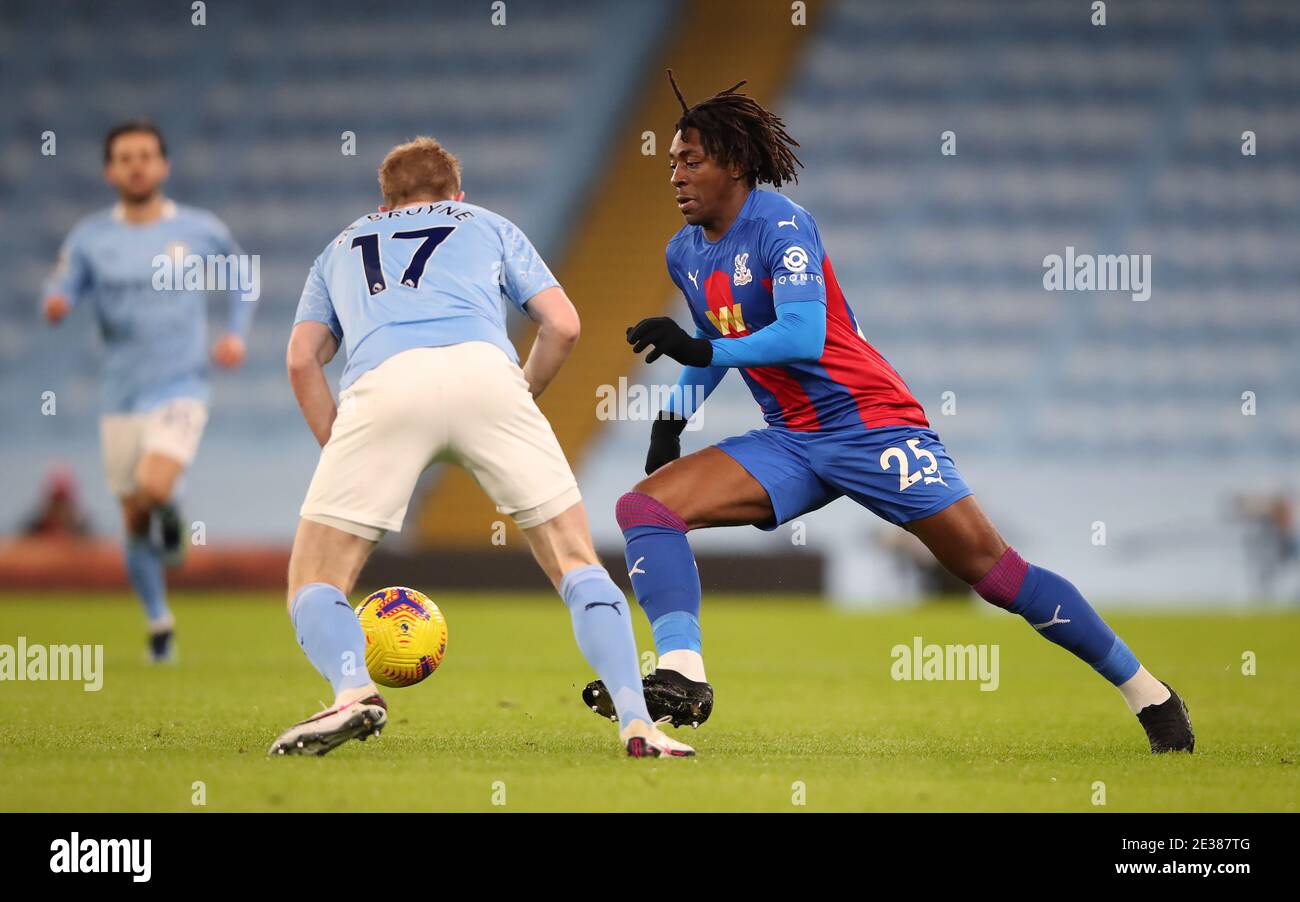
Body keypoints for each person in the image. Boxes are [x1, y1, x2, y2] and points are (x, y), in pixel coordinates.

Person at [582, 74, 1193, 754]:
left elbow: (802, 334)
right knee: (646, 510)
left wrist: (697, 344)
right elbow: (722, 344)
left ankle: (1151, 695)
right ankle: (682, 674)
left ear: (735, 163)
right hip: (791, 441)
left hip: (872, 424)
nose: (675, 175)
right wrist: (672, 420)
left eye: (690, 160)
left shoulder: (782, 223)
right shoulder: (685, 251)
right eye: (671, 161)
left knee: (992, 572)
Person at [270, 136, 693, 758]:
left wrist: (340, 444)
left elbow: (302, 359)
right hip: (487, 376)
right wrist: (522, 392)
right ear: (456, 196)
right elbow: (564, 324)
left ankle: (353, 692)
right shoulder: (488, 224)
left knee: (315, 577)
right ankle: (636, 720)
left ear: (384, 205)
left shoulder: (342, 246)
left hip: (383, 388)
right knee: (576, 563)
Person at [41, 120, 253, 662]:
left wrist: (234, 334)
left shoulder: (198, 229)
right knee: (132, 520)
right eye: (125, 157)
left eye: (146, 155)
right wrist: (57, 302)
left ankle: (171, 513)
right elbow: (61, 282)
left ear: (164, 166)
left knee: (155, 487)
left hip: (181, 386)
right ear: (110, 170)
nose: (136, 165)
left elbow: (242, 277)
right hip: (119, 397)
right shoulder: (92, 238)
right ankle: (160, 624)